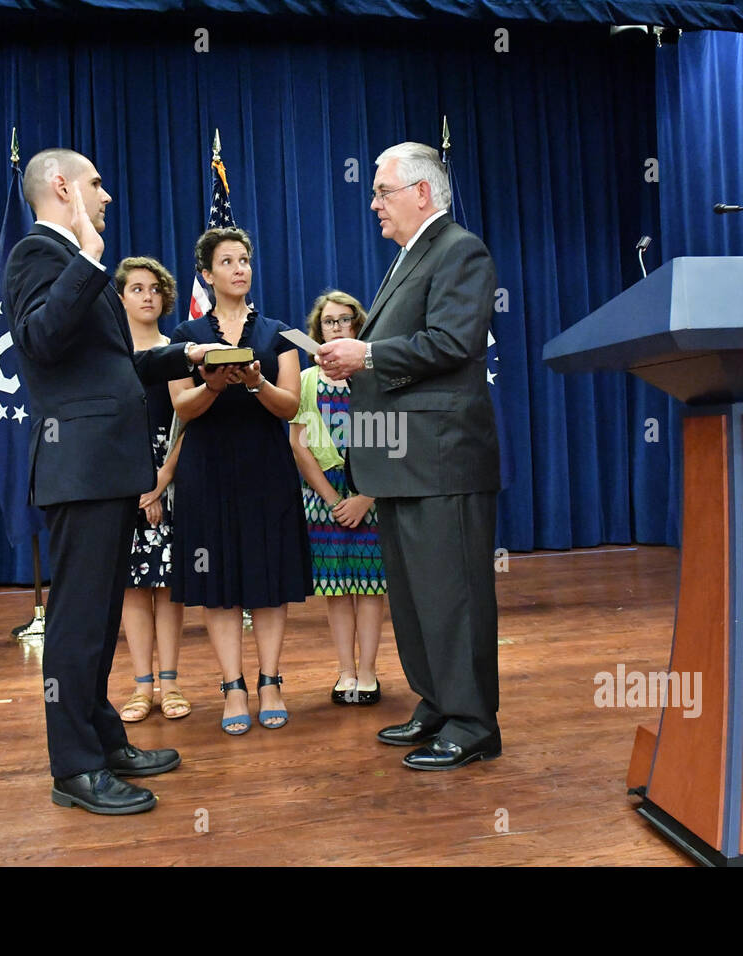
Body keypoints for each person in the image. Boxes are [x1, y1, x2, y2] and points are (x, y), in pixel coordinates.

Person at [6, 148, 225, 813]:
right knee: (76, 623)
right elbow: (40, 342)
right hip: (80, 467)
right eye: (96, 184)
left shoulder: (72, 265)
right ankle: (74, 770)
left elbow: (107, 372)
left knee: (100, 617)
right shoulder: (36, 257)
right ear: (63, 187)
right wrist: (90, 253)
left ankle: (103, 741)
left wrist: (182, 355)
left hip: (105, 466)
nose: (106, 195)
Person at [318, 142, 502, 771]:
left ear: (421, 192)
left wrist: (364, 356)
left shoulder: (460, 250)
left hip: (443, 460)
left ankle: (474, 720)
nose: (373, 203)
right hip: (402, 461)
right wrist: (355, 363)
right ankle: (438, 701)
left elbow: (452, 340)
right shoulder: (409, 258)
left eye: (381, 191)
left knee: (453, 595)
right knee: (417, 597)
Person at [168, 226, 312, 735]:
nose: (239, 268)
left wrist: (257, 384)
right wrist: (210, 386)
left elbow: (291, 405)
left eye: (245, 259)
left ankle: (270, 680)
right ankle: (232, 686)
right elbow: (180, 407)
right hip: (207, 468)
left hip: (265, 466)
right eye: (227, 261)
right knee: (218, 582)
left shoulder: (280, 332)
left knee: (269, 579)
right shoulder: (184, 338)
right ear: (206, 274)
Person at [289, 291, 386, 706]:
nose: (337, 326)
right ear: (318, 330)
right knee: (336, 589)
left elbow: (390, 443)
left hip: (371, 495)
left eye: (345, 320)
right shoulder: (308, 381)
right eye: (330, 321)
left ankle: (368, 673)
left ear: (357, 326)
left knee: (369, 587)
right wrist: (331, 499)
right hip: (324, 497)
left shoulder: (372, 378)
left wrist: (365, 496)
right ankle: (345, 671)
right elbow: (299, 445)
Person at [113, 256, 190, 723]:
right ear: (120, 298)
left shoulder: (176, 350)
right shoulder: (111, 356)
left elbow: (187, 421)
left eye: (155, 289)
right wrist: (139, 484)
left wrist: (162, 480)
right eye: (137, 288)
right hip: (122, 482)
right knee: (132, 588)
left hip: (172, 479)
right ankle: (142, 686)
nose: (147, 296)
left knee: (167, 587)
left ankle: (172, 682)